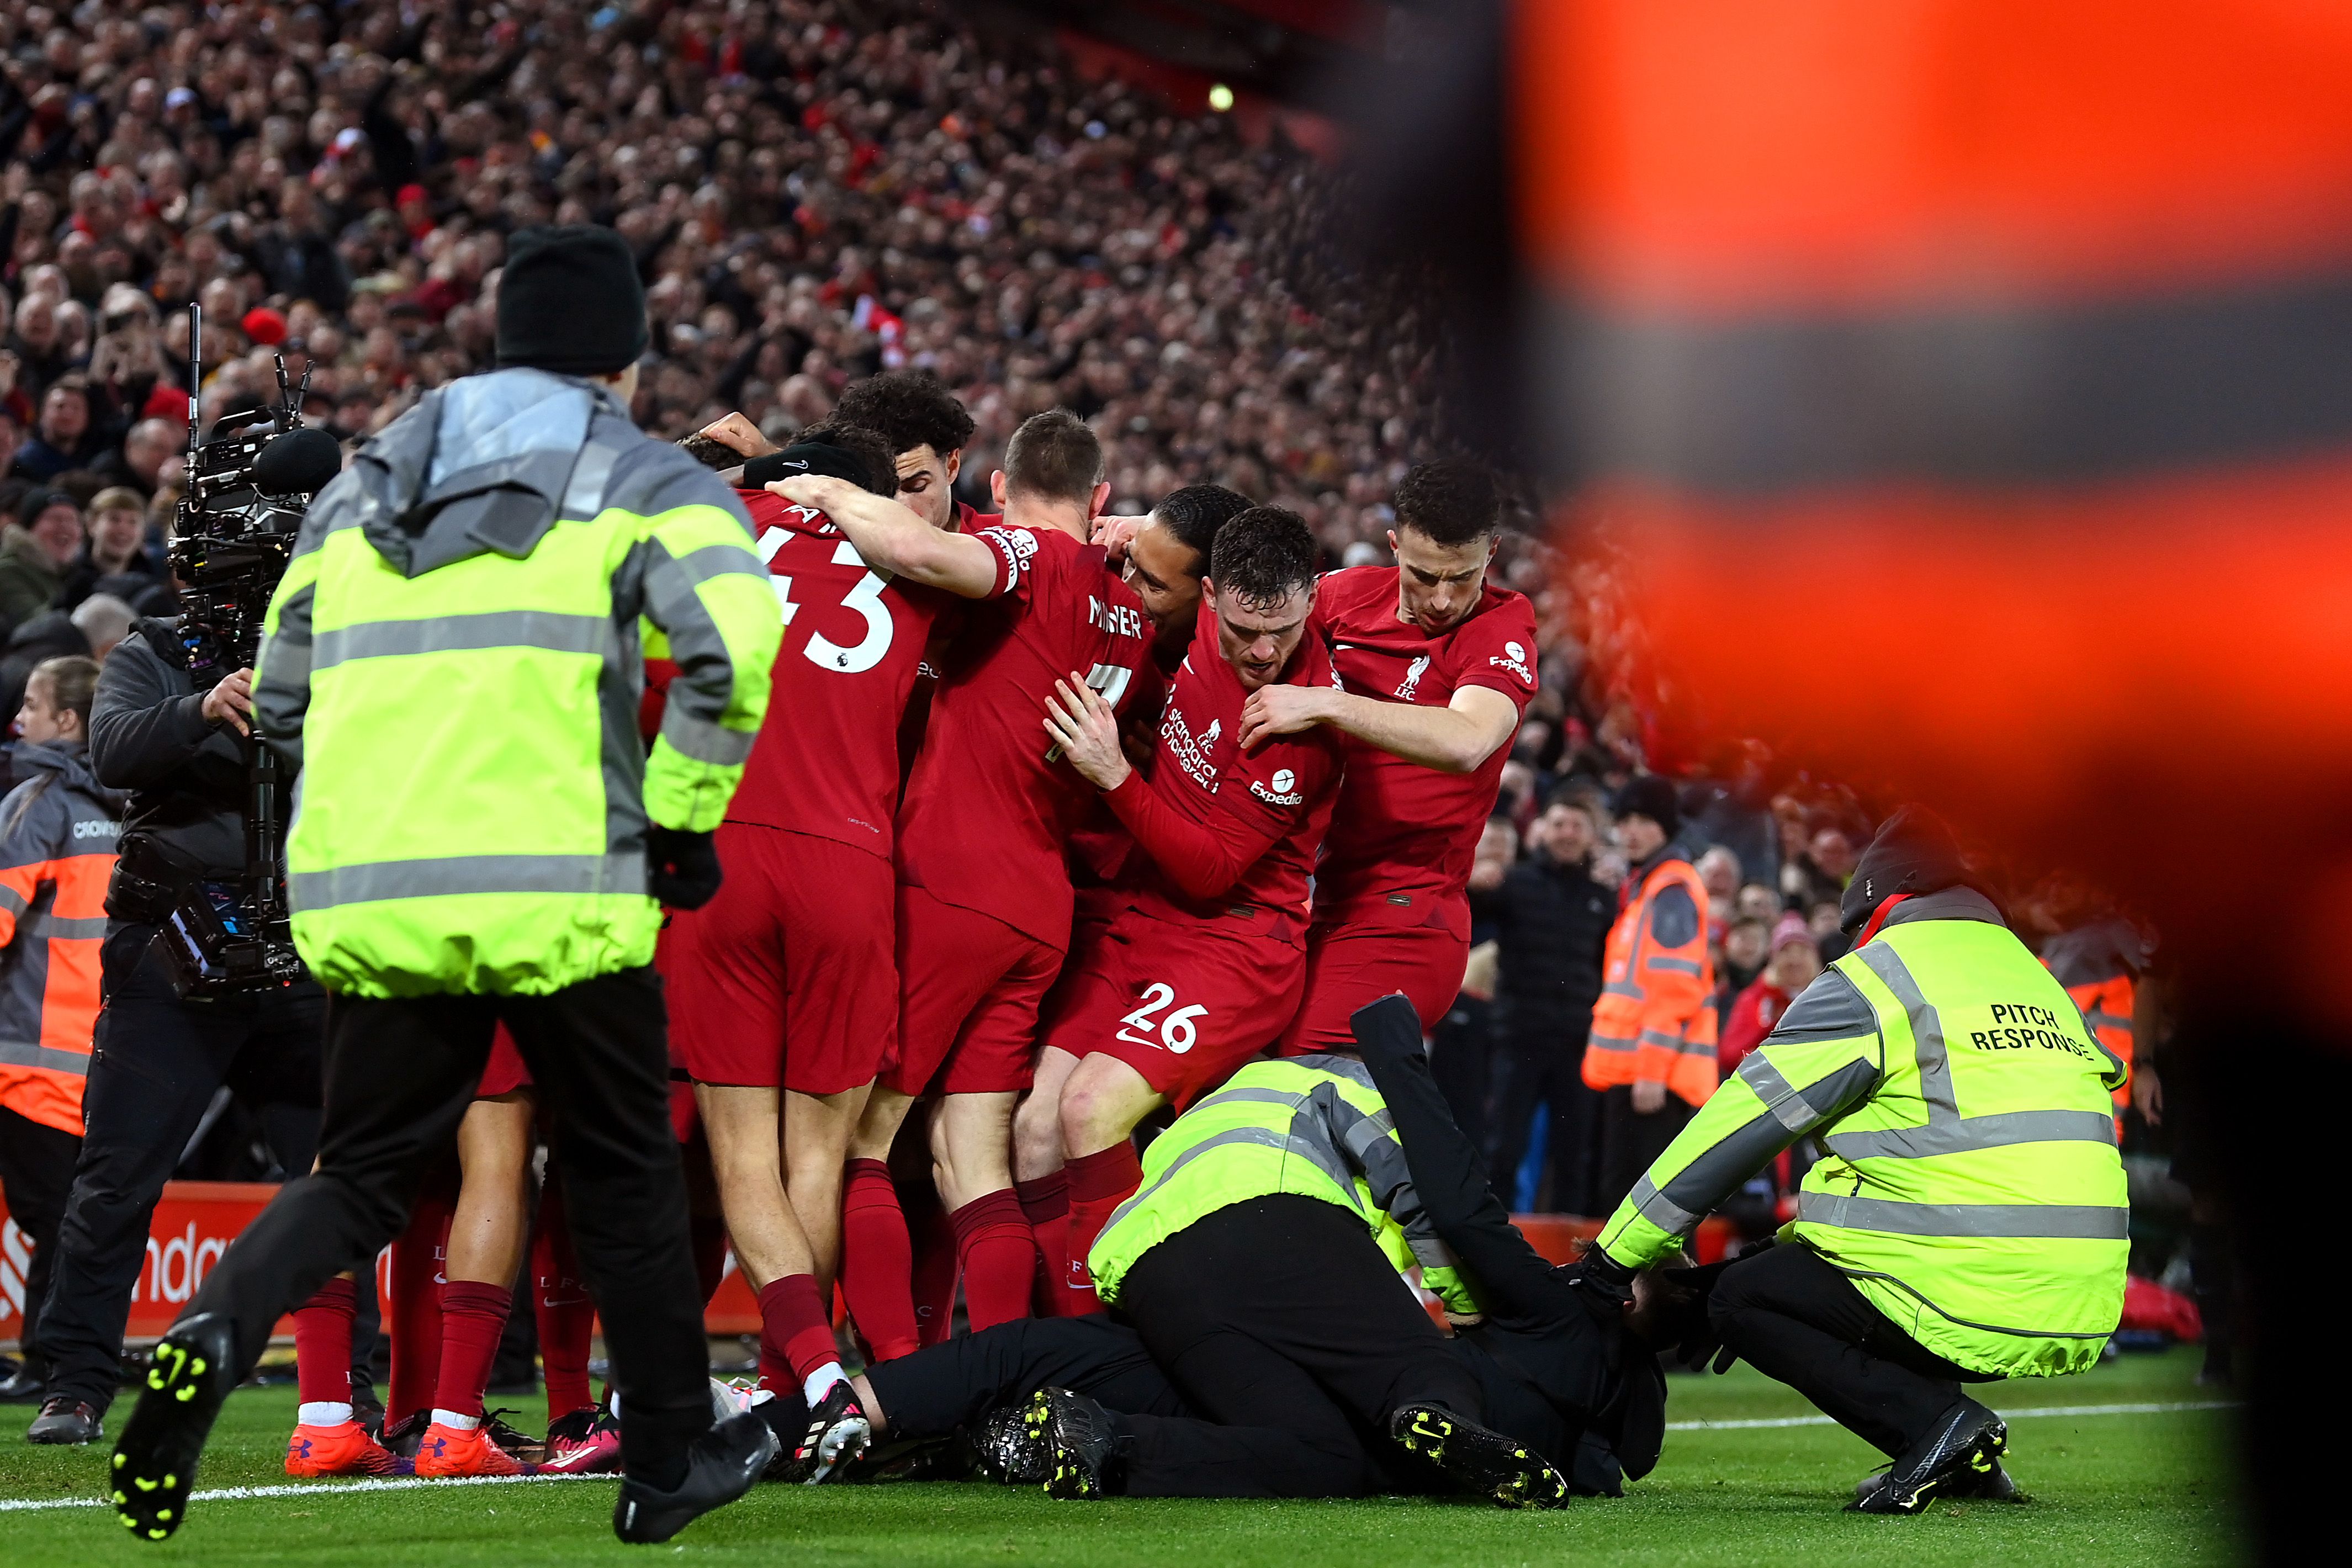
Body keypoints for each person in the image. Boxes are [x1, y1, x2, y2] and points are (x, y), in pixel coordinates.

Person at [106, 225, 784, 1546]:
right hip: (557, 879)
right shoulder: (641, 472)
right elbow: (735, 646)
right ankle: (660, 1466)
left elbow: (285, 685)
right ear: (628, 360)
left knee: (357, 1171)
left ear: (499, 341)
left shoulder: (369, 476)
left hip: (372, 885)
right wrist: (682, 824)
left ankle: (213, 1325)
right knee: (621, 1171)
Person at [1583, 807, 2129, 1514]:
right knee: (1797, 1274)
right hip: (2088, 1295)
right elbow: (1950, 1156)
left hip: (1974, 1280)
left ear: (1880, 908)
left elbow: (1733, 1128)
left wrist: (1610, 1261)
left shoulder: (1879, 979)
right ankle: (1964, 1454)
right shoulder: (2035, 977)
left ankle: (1935, 1426)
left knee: (1744, 1300)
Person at [769, 410, 1154, 1363]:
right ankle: (1013, 1381)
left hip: (948, 881)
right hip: (1038, 904)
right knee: (968, 1159)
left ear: (993, 492)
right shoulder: (1132, 610)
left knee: (861, 1142)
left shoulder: (1029, 557)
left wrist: (812, 486)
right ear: (1100, 499)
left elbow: (931, 555)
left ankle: (901, 1384)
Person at [660, 417, 937, 1474]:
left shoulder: (720, 526)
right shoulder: (919, 561)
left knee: (739, 1153)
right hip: (852, 867)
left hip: (729, 852)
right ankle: (799, 1394)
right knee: (818, 1152)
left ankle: (815, 1377)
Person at [24, 602, 330, 1448]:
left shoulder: (336, 637)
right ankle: (75, 1387)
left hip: (300, 946)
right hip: (172, 950)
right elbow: (112, 751)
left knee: (332, 1184)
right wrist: (200, 706)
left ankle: (344, 1396)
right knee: (118, 1179)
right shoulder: (153, 650)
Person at [1029, 506, 1344, 1311]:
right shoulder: (1201, 622)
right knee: (1033, 1131)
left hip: (1234, 949)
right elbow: (1202, 515)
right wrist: (1116, 529)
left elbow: (1212, 873)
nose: (1265, 653)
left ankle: (1130, 1339)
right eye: (1244, 630)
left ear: (1314, 599)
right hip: (1142, 922)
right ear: (1207, 596)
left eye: (1284, 629)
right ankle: (1056, 1343)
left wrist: (1114, 776)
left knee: (1089, 1112)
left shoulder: (1300, 719)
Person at [1074, 1047, 1565, 1506]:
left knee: (1322, 1452)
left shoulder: (1200, 1119)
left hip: (1145, 1273)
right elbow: (1418, 1190)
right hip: (1266, 1218)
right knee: (1421, 1365)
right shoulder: (1344, 1079)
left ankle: (1106, 1440)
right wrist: (1465, 1309)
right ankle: (1439, 1414)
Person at [1239, 460, 1540, 1058]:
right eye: (1425, 575)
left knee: (1289, 1069)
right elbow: (1242, 604)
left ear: (1493, 552)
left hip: (1403, 913)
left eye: (1465, 576)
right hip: (1295, 893)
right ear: (1395, 544)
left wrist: (1329, 704)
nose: (1445, 598)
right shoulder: (1345, 596)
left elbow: (1467, 739)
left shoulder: (1501, 628)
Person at [0, 658, 120, 1405]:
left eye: (35, 704)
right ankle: (57, 1357)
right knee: (77, 1220)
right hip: (107, 1059)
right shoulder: (139, 805)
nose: (22, 716)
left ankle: (51, 1362)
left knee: (56, 1218)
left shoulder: (35, 804)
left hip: (28, 1060)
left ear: (68, 722)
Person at [1580, 775, 1718, 1210]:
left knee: (1645, 1209)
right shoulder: (1651, 886)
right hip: (1636, 1073)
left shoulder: (1670, 889)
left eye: (1644, 820)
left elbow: (1675, 989)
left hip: (1651, 1079)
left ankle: (1662, 1284)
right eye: (1626, 820)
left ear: (1666, 827)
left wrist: (1652, 1072)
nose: (1632, 831)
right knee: (1642, 1207)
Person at [1483, 791, 1614, 1215]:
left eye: (1577, 826)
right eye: (1559, 824)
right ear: (1542, 830)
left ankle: (1567, 1251)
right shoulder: (1514, 883)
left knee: (1573, 1153)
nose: (1567, 834)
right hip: (1518, 1037)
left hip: (1578, 1042)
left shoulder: (1604, 898)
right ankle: (1493, 1240)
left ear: (1592, 836)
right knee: (1504, 1145)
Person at [54, 486, 163, 612]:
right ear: (92, 525)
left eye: (133, 522)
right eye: (114, 519)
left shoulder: (152, 583)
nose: (123, 530)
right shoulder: (69, 580)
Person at [0, 489, 81, 628]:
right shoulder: (8, 571)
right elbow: (32, 623)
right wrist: (70, 602)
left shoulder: (71, 573)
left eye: (72, 520)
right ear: (29, 528)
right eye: (55, 519)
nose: (65, 527)